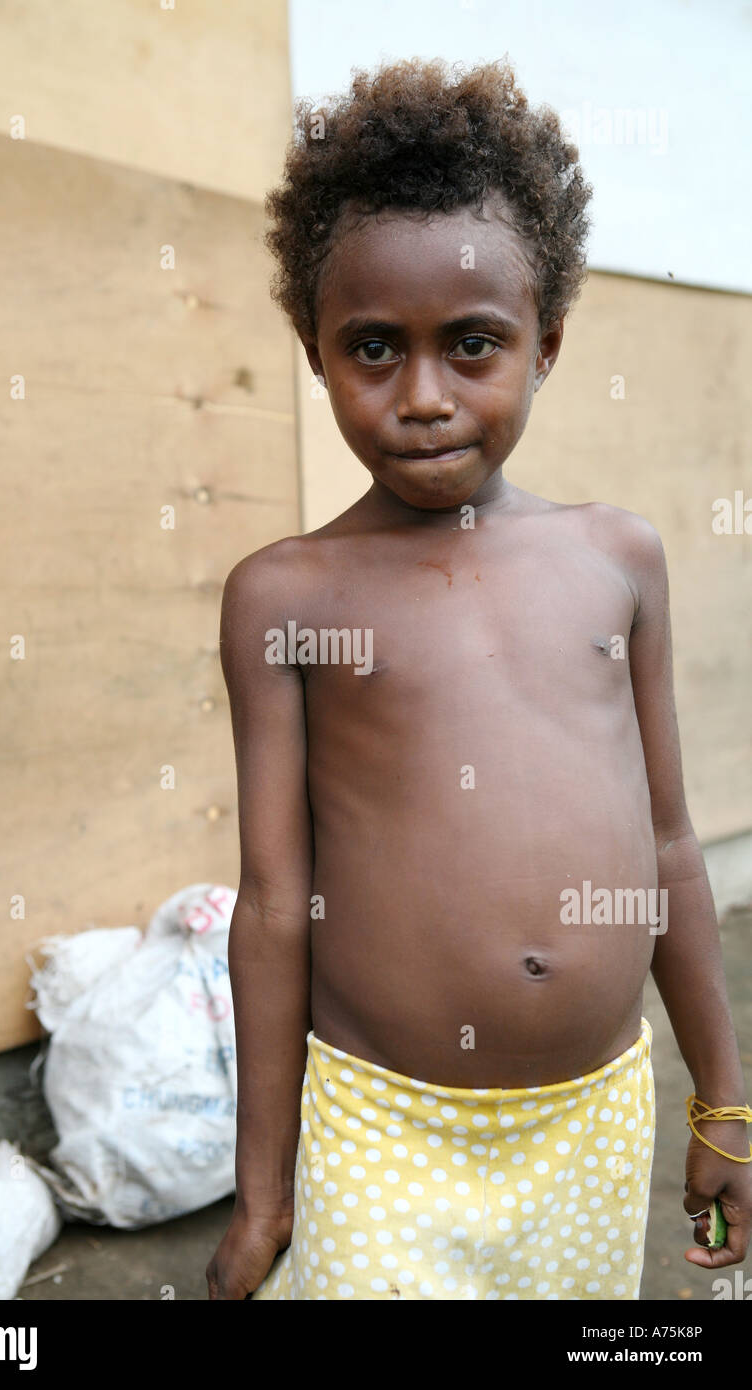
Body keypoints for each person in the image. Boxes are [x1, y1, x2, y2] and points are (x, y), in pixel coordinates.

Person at [205, 57, 752, 1300]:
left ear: (545, 342)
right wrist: (263, 1189)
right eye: (372, 350)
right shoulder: (285, 599)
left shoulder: (616, 561)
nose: (422, 398)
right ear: (313, 348)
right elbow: (274, 907)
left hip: (595, 1124)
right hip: (380, 1129)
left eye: (470, 346)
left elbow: (668, 846)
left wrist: (721, 1104)